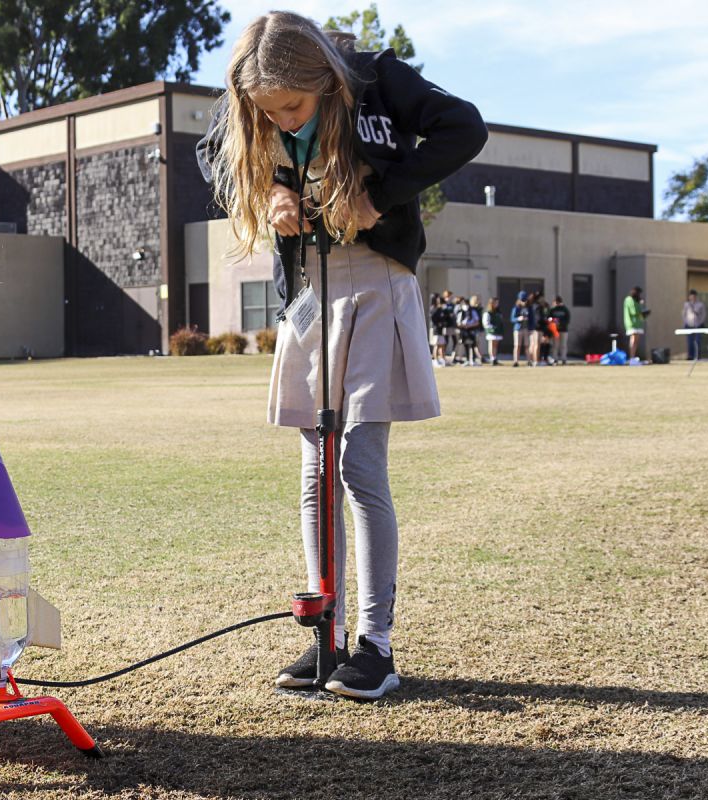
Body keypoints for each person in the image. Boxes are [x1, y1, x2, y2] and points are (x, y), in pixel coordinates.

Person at [199, 11, 486, 699]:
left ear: (325, 81)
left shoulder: (380, 81)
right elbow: (211, 152)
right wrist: (269, 191)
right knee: (313, 466)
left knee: (358, 461)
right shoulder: (260, 118)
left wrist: (379, 195)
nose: (284, 121)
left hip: (375, 283)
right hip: (309, 295)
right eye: (268, 114)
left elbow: (465, 127)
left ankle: (374, 646)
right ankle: (320, 633)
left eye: (294, 107)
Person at [624, 286, 649, 362]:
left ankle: (633, 356)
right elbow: (634, 311)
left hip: (638, 323)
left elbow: (639, 312)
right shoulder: (629, 299)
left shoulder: (636, 300)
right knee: (633, 339)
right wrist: (641, 307)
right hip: (632, 323)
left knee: (636, 341)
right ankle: (631, 357)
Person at [682, 290, 707, 361]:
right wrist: (686, 322)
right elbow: (684, 314)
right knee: (690, 341)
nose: (692, 297)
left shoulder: (700, 305)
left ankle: (698, 356)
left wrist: (700, 322)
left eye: (694, 296)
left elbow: (703, 315)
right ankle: (690, 355)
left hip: (698, 325)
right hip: (689, 325)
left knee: (697, 341)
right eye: (691, 296)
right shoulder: (686, 304)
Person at [429, 293, 450, 366]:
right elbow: (433, 318)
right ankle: (435, 359)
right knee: (436, 345)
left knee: (442, 344)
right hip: (436, 329)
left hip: (440, 329)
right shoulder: (433, 308)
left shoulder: (440, 308)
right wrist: (438, 324)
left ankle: (442, 359)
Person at [549, 296, 571, 365]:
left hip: (564, 330)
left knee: (563, 345)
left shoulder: (565, 309)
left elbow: (567, 320)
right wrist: (554, 323)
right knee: (555, 345)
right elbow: (549, 318)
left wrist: (560, 324)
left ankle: (563, 359)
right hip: (556, 330)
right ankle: (555, 359)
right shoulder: (553, 310)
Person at [483, 297, 504, 366]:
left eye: (497, 303)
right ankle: (492, 358)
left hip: (497, 330)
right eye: (495, 302)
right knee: (491, 344)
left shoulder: (498, 311)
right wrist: (491, 327)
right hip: (491, 331)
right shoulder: (488, 312)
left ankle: (495, 358)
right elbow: (486, 322)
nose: (497, 304)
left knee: (495, 345)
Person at [511, 291, 530, 367]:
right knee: (517, 345)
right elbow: (512, 319)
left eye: (525, 300)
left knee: (527, 345)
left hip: (526, 329)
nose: (524, 302)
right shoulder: (516, 308)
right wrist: (518, 318)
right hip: (518, 329)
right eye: (522, 300)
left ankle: (529, 361)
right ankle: (516, 361)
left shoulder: (528, 308)